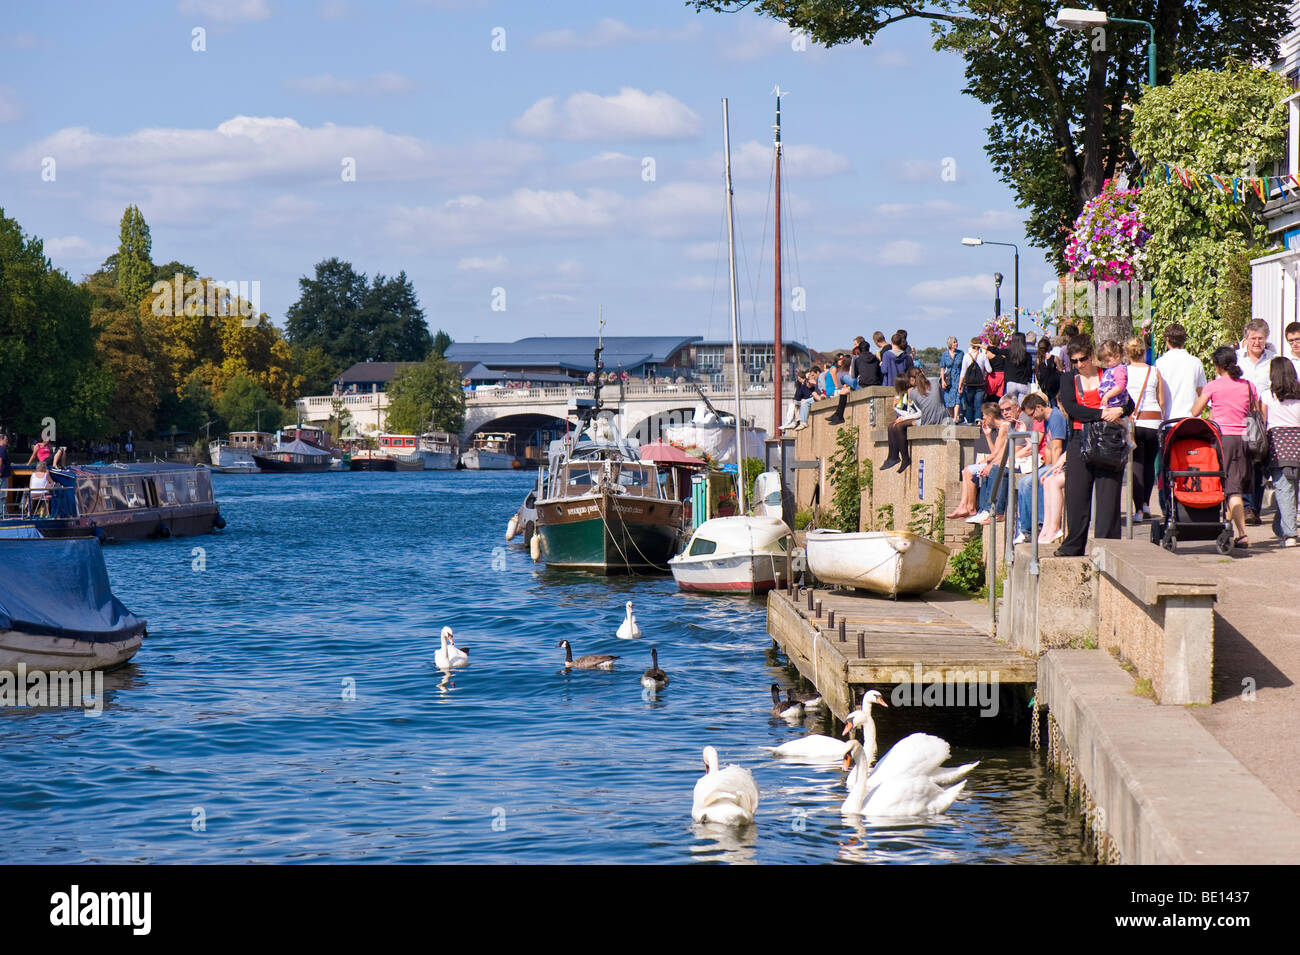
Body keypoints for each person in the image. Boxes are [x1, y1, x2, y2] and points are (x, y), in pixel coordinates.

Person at [1056, 334, 1130, 557]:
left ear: (1091, 356)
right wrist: (1102, 413)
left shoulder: (1107, 373)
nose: (1079, 365)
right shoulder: (1069, 379)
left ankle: (1108, 548)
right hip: (1080, 438)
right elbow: (1071, 407)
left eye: (1083, 359)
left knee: (1108, 497)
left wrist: (1121, 410)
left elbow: (1128, 401)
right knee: (1076, 495)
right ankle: (1074, 545)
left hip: (1107, 439)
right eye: (1075, 361)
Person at [1187, 346, 1259, 549]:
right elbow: (1254, 412)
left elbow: (1194, 412)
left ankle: (1242, 535)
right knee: (1234, 485)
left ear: (1218, 366)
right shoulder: (1248, 386)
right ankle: (1227, 527)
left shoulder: (1213, 386)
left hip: (1223, 439)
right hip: (1245, 440)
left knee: (1231, 489)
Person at [1013, 392, 1069, 544]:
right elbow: (1049, 449)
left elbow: (1057, 448)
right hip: (1051, 463)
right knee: (1025, 482)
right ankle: (1026, 529)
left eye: (1032, 414)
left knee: (1031, 482)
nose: (1033, 419)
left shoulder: (1056, 417)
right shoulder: (1047, 419)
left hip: (1062, 463)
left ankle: (1038, 525)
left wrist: (1052, 471)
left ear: (1039, 407)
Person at [1236, 319, 1276, 525]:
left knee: (1259, 463)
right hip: (1240, 417)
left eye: (1261, 338)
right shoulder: (1236, 359)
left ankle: (1254, 507)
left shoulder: (1273, 360)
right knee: (1244, 462)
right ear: (1246, 339)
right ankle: (1246, 506)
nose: (1257, 342)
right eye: (1253, 338)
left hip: (1263, 418)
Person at [946, 401, 1011, 524]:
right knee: (966, 470)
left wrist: (986, 461)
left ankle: (970, 507)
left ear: (991, 416)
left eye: (984, 416)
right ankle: (965, 506)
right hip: (996, 461)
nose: (983, 419)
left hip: (1001, 463)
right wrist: (987, 436)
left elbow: (996, 454)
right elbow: (995, 451)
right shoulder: (1000, 428)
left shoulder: (1004, 427)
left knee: (969, 471)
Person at [1124, 336, 1165, 521]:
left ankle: (1138, 509)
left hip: (1134, 421)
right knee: (1149, 464)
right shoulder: (1154, 371)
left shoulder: (1124, 372)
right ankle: (1147, 504)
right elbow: (1161, 400)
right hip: (1154, 419)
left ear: (1127, 353)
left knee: (1136, 465)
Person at [1261, 356, 1300, 547]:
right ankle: (1281, 527)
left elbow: (1263, 421)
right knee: (1292, 489)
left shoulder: (1267, 395)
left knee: (1284, 489)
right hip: (1298, 444)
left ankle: (1290, 534)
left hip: (1278, 446)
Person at [1154, 322, 1206, 419]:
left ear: (1167, 340)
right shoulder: (1196, 362)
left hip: (1168, 420)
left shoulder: (1159, 363)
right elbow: (1201, 393)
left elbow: (1157, 394)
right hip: (1190, 420)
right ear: (1184, 340)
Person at [988, 331, 1035, 402]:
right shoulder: (1027, 355)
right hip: (1023, 382)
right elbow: (1029, 370)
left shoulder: (1008, 352)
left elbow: (996, 350)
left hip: (1011, 382)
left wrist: (983, 346)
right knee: (1022, 406)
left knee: (1011, 405)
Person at [958, 338, 991, 424]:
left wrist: (960, 385)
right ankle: (978, 419)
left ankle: (969, 420)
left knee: (969, 404)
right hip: (980, 383)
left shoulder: (966, 356)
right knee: (978, 403)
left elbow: (963, 371)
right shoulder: (983, 356)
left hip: (969, 384)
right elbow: (989, 370)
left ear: (971, 345)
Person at [1096, 340, 1128, 410]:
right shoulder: (1112, 369)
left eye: (1107, 361)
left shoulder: (1119, 370)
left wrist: (1107, 396)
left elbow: (1121, 386)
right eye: (1103, 362)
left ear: (1117, 356)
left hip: (1115, 403)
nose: (1105, 364)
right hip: (1110, 403)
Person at [825, 355, 857, 426]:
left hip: (836, 391)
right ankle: (838, 415)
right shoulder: (836, 369)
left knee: (843, 391)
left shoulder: (839, 371)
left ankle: (837, 415)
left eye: (842, 359)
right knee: (843, 391)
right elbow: (837, 384)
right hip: (834, 391)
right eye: (840, 359)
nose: (841, 360)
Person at [938, 336, 964, 422]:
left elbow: (963, 367)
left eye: (956, 342)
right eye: (954, 342)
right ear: (950, 344)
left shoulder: (961, 353)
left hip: (958, 377)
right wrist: (942, 380)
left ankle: (955, 417)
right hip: (949, 378)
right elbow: (942, 367)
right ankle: (952, 416)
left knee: (958, 398)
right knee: (949, 400)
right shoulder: (945, 354)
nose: (956, 344)